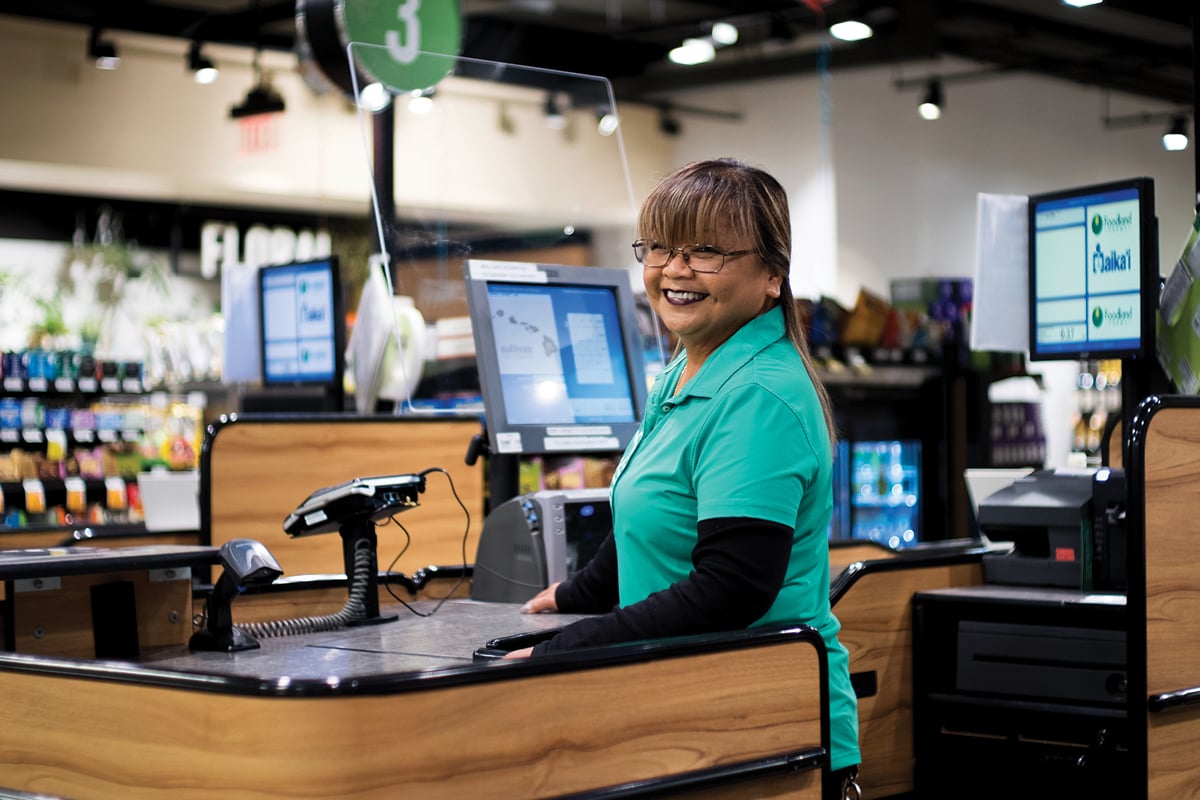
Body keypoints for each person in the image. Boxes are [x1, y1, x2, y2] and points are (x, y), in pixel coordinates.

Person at [505, 157, 861, 790]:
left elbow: (731, 585)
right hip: (688, 705)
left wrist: (573, 645)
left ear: (772, 276)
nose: (675, 268)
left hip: (766, 725)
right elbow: (657, 511)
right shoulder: (688, 366)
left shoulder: (761, 395)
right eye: (662, 246)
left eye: (705, 251)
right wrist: (578, 594)